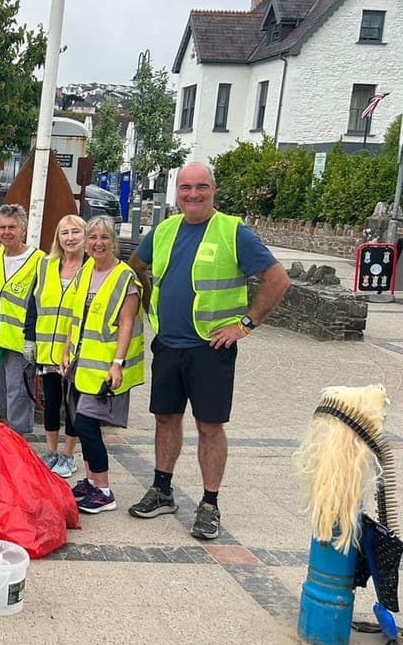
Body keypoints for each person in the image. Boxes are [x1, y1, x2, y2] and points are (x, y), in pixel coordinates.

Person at [127, 162, 289, 539]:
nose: (193, 195)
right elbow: (136, 267)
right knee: (166, 418)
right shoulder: (165, 230)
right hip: (169, 343)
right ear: (176, 193)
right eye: (185, 188)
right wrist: (151, 304)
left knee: (209, 427)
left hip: (210, 348)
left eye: (201, 187)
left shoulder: (234, 231)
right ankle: (162, 489)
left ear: (214, 190)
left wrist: (245, 324)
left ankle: (209, 503)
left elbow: (277, 280)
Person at [60, 217, 144, 514]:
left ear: (114, 241)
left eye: (104, 237)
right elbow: (75, 316)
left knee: (86, 424)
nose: (97, 243)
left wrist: (118, 364)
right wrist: (66, 350)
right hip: (82, 365)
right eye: (93, 237)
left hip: (106, 368)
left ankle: (105, 490)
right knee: (81, 423)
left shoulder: (125, 278)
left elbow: (127, 322)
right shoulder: (85, 272)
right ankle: (92, 482)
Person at [25, 214, 86, 478]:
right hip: (47, 348)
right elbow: (33, 304)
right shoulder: (46, 265)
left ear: (84, 236)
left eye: (75, 232)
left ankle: (69, 455)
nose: (70, 238)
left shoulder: (91, 268)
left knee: (73, 404)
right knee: (51, 402)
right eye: (65, 233)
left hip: (76, 350)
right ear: (57, 238)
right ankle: (51, 451)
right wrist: (29, 338)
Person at [0, 204, 46, 434]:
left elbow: (41, 304)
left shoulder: (39, 261)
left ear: (23, 230)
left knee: (18, 395)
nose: (7, 232)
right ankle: (7, 444)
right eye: (2, 227)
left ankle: (19, 447)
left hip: (21, 341)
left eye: (12, 227)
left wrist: (33, 339)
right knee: (0, 395)